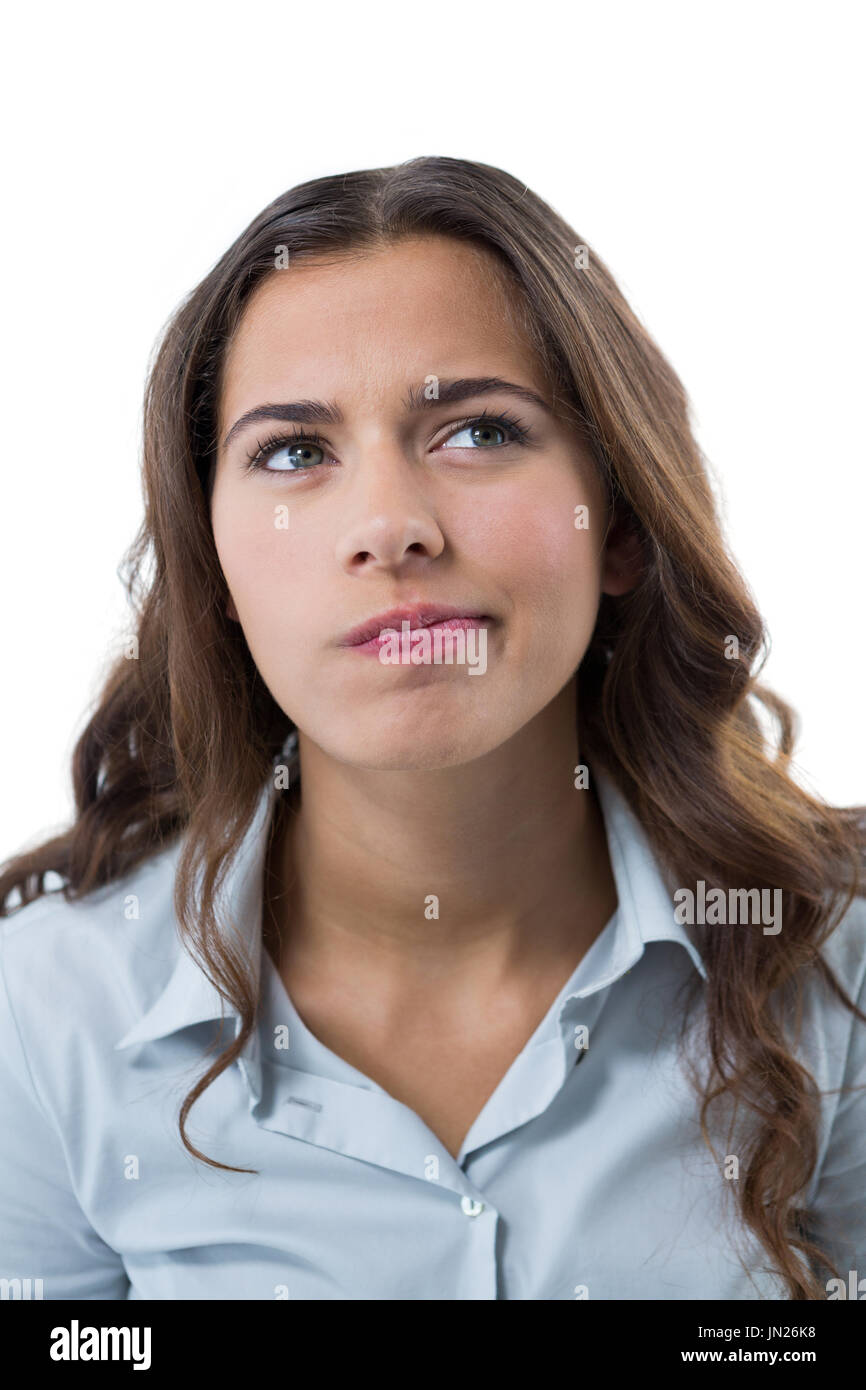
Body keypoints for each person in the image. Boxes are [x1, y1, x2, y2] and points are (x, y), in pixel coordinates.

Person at [1, 156, 863, 1302]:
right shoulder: (42, 1016)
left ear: (618, 522)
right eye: (295, 452)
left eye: (475, 432)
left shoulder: (833, 960)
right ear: (212, 569)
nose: (389, 527)